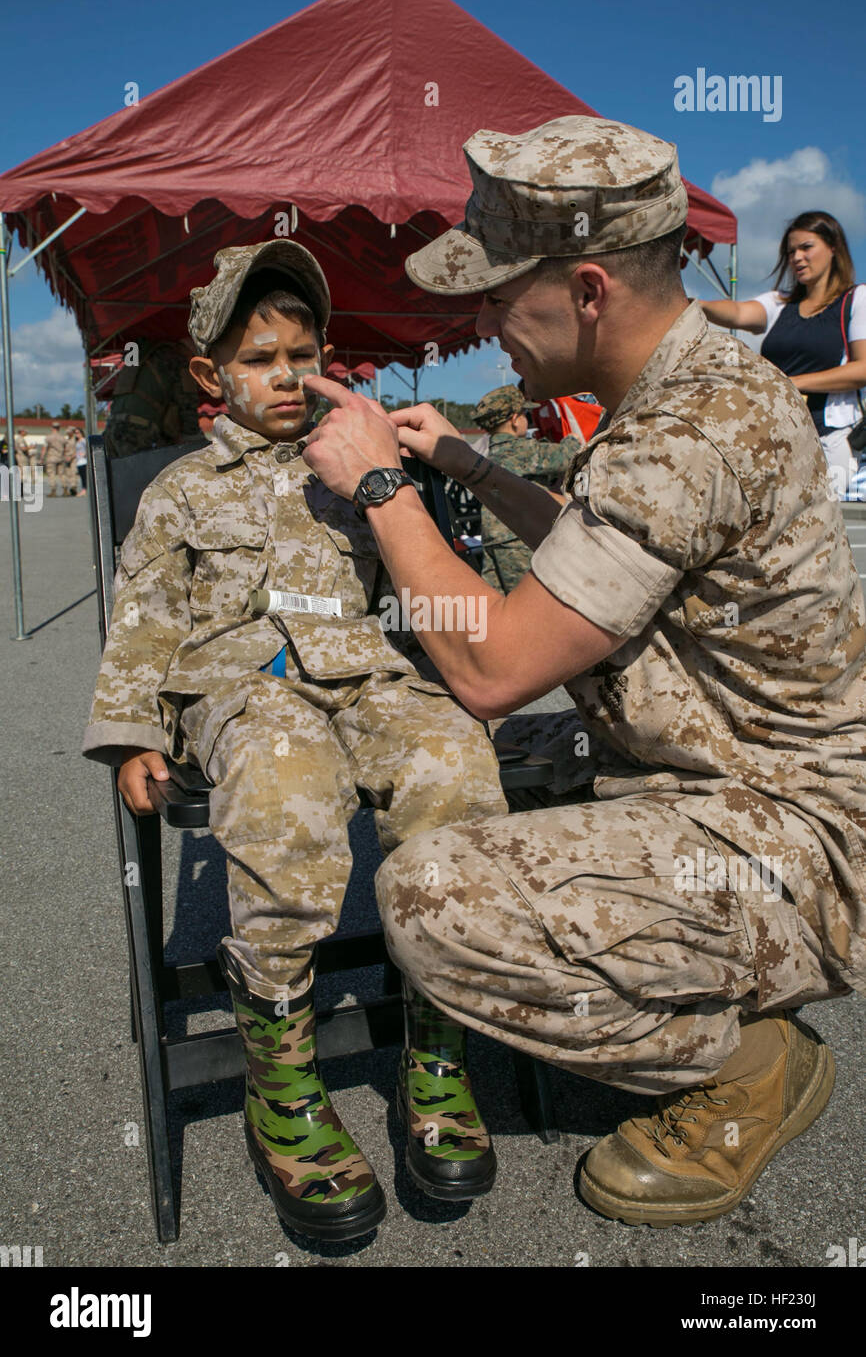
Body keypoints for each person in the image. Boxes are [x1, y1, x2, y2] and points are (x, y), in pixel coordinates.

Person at [301, 115, 866, 1228]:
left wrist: (381, 489)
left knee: (428, 900)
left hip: (791, 840)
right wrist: (465, 460)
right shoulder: (682, 387)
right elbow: (611, 547)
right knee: (454, 771)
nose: (480, 323)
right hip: (707, 772)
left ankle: (738, 1063)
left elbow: (492, 666)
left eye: (499, 295)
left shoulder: (691, 427)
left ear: (590, 288)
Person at [82, 240, 507, 1242]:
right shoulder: (180, 490)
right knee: (283, 792)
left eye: (303, 352)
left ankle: (434, 1050)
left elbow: (415, 578)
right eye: (260, 358)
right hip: (243, 687)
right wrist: (128, 735)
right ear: (208, 375)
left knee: (456, 763)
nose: (286, 374)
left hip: (368, 671)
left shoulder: (353, 466)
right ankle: (282, 1082)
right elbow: (142, 617)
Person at [702, 211, 866, 495]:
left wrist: (791, 383)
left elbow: (862, 370)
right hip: (772, 440)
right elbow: (739, 312)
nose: (797, 258)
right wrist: (696, 305)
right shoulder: (779, 304)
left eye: (806, 247)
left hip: (829, 443)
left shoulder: (857, 300)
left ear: (833, 247)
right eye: (791, 251)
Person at [470, 384, 579, 591]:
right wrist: (572, 437)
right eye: (524, 414)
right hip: (518, 537)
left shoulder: (491, 452)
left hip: (493, 536)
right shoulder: (522, 450)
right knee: (529, 597)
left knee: (498, 599)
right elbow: (567, 457)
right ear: (514, 420)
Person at [102, 337, 202, 458]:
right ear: (192, 353)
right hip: (137, 433)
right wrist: (198, 443)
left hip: (111, 428)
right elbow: (188, 407)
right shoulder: (180, 362)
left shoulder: (147, 354)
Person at [40, 422, 66, 497]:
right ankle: (65, 489)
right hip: (60, 457)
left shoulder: (48, 437)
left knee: (51, 474)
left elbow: (44, 448)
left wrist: (42, 458)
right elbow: (65, 448)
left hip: (51, 458)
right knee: (62, 474)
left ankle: (53, 490)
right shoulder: (62, 438)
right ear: (59, 428)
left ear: (52, 428)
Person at [74, 427, 88, 494]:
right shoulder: (77, 441)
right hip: (78, 461)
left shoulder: (83, 440)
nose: (76, 434)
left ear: (81, 433)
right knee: (82, 476)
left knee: (84, 476)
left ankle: (84, 490)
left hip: (84, 461)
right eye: (75, 433)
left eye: (78, 433)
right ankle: (84, 489)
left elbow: (87, 448)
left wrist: (84, 454)